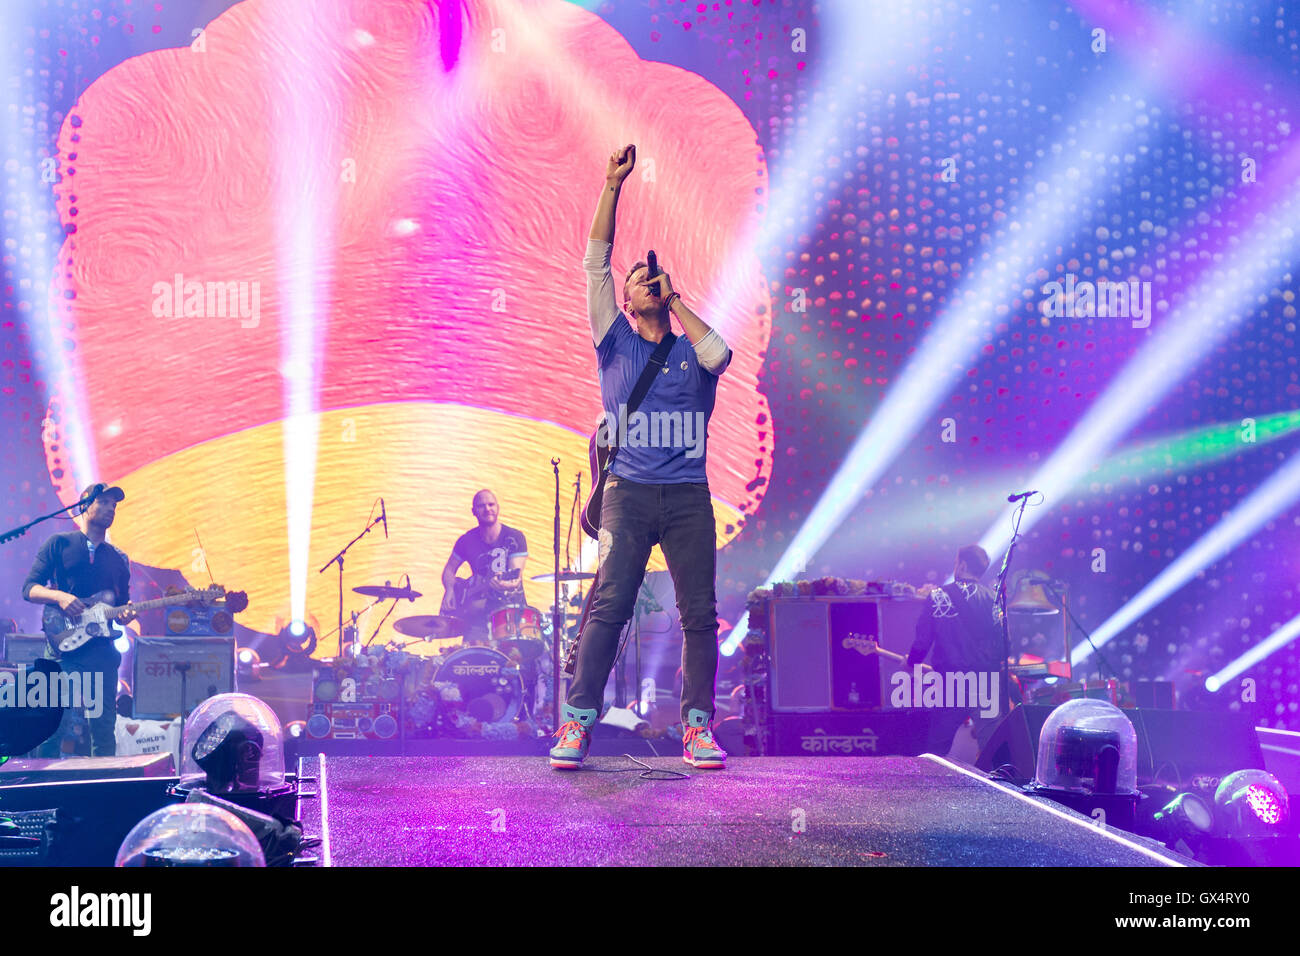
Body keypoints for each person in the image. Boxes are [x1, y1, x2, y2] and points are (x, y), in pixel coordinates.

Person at [549, 144, 732, 770]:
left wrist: (675, 297)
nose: (643, 279)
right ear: (626, 299)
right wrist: (611, 184)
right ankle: (576, 726)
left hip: (687, 498)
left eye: (650, 275)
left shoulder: (690, 350)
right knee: (610, 604)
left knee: (699, 613)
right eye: (638, 279)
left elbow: (720, 355)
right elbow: (594, 263)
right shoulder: (615, 341)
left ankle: (697, 729)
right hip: (627, 494)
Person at [21, 482, 134, 757]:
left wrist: (128, 614)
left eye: (114, 505)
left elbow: (121, 610)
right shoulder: (59, 543)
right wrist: (60, 596)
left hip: (102, 653)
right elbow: (29, 589)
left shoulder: (119, 558)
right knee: (54, 725)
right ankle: (43, 789)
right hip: (64, 647)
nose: (111, 509)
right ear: (85, 506)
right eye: (104, 502)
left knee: (104, 731)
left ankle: (101, 794)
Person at [906, 544, 1005, 756]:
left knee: (936, 751)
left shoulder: (938, 596)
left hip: (952, 683)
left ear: (962, 565)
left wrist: (912, 662)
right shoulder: (994, 600)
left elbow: (922, 641)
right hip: (986, 682)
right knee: (993, 749)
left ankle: (932, 789)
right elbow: (1005, 645)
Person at [439, 490, 528, 641]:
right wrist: (450, 590)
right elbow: (449, 570)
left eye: (491, 504)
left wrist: (506, 584)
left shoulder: (514, 537)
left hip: (510, 613)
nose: (487, 509)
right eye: (481, 506)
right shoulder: (466, 541)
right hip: (477, 614)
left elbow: (515, 576)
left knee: (512, 660)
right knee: (469, 658)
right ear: (473, 511)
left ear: (498, 507)